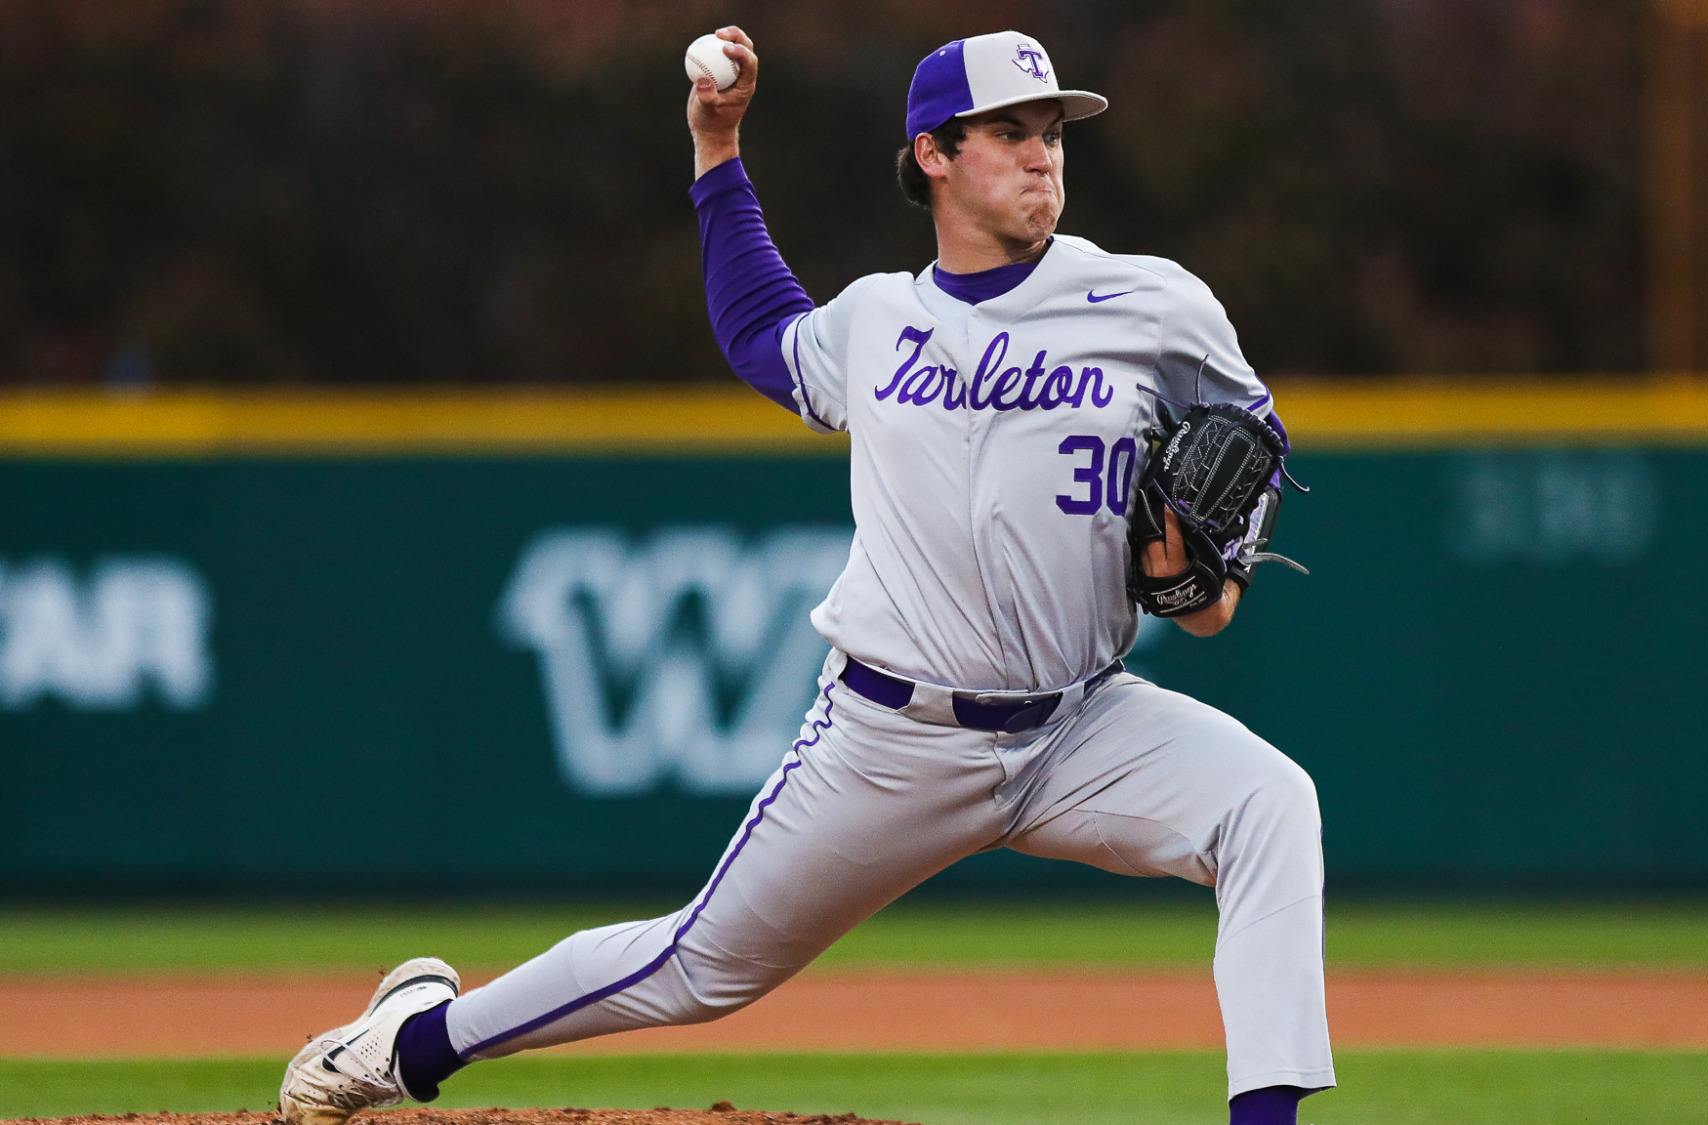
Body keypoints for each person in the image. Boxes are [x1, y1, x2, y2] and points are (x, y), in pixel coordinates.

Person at [279, 27, 1333, 1125]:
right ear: (932, 153)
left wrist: (1213, 586)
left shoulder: (1150, 304)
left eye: (1052, 135)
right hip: (896, 737)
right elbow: (757, 329)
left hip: (1081, 722)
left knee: (1267, 804)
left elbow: (1251, 435)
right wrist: (716, 148)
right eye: (1009, 133)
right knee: (696, 968)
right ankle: (408, 1046)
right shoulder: (876, 320)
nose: (1041, 158)